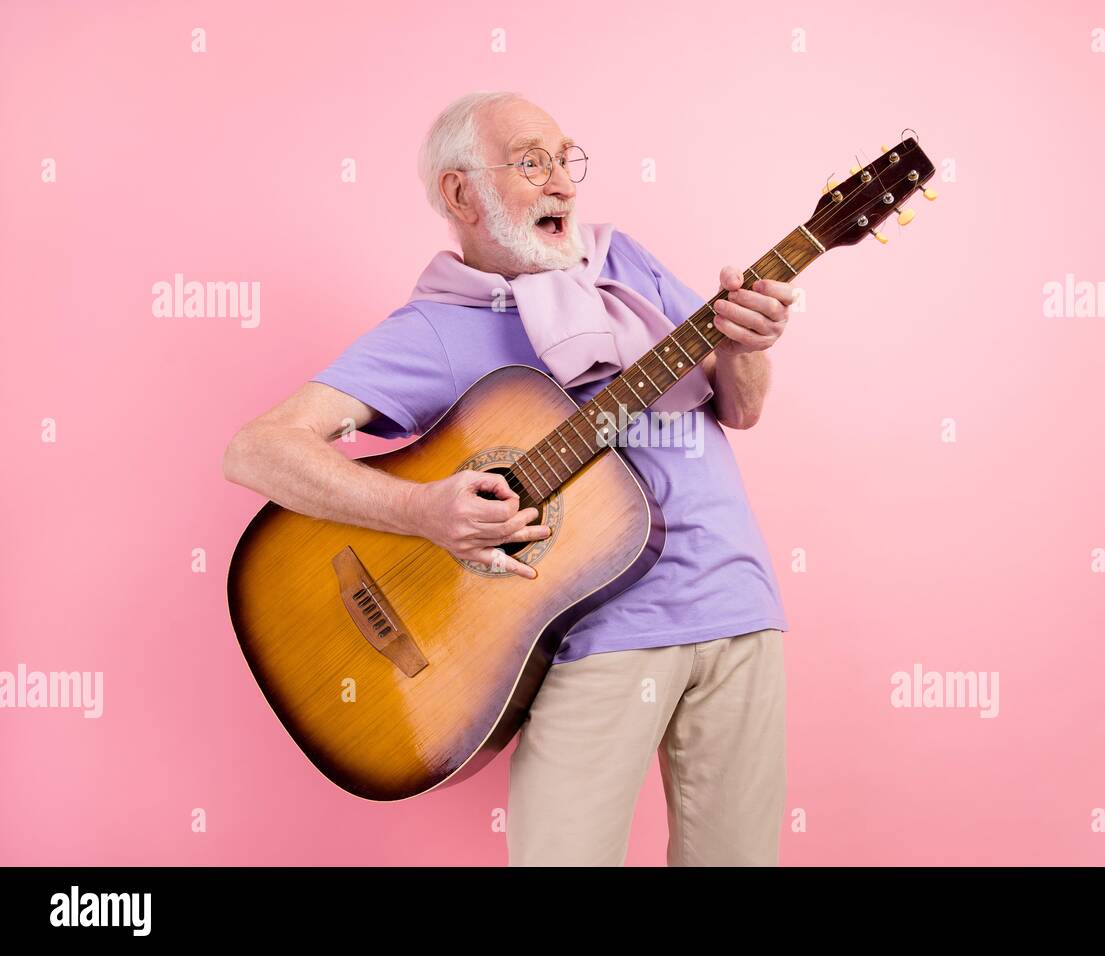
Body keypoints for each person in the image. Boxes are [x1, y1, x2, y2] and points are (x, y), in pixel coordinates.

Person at [222, 90, 796, 866]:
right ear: (461, 192)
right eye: (533, 162)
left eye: (567, 160)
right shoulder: (433, 328)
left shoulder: (624, 260)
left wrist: (745, 347)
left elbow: (740, 407)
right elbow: (256, 450)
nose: (563, 182)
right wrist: (422, 509)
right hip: (596, 640)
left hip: (738, 610)